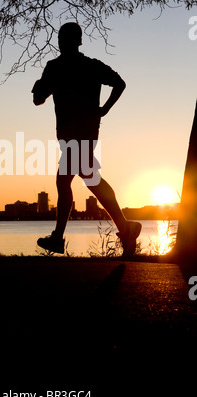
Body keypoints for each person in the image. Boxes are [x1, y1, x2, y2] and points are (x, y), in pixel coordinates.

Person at [32, 22, 141, 258]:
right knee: (91, 180)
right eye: (61, 39)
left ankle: (58, 238)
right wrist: (104, 109)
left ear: (77, 41)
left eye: (66, 39)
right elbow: (39, 99)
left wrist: (104, 109)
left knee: (65, 182)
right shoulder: (73, 67)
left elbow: (37, 99)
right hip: (78, 134)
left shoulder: (63, 67)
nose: (63, 43)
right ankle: (126, 228)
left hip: (80, 134)